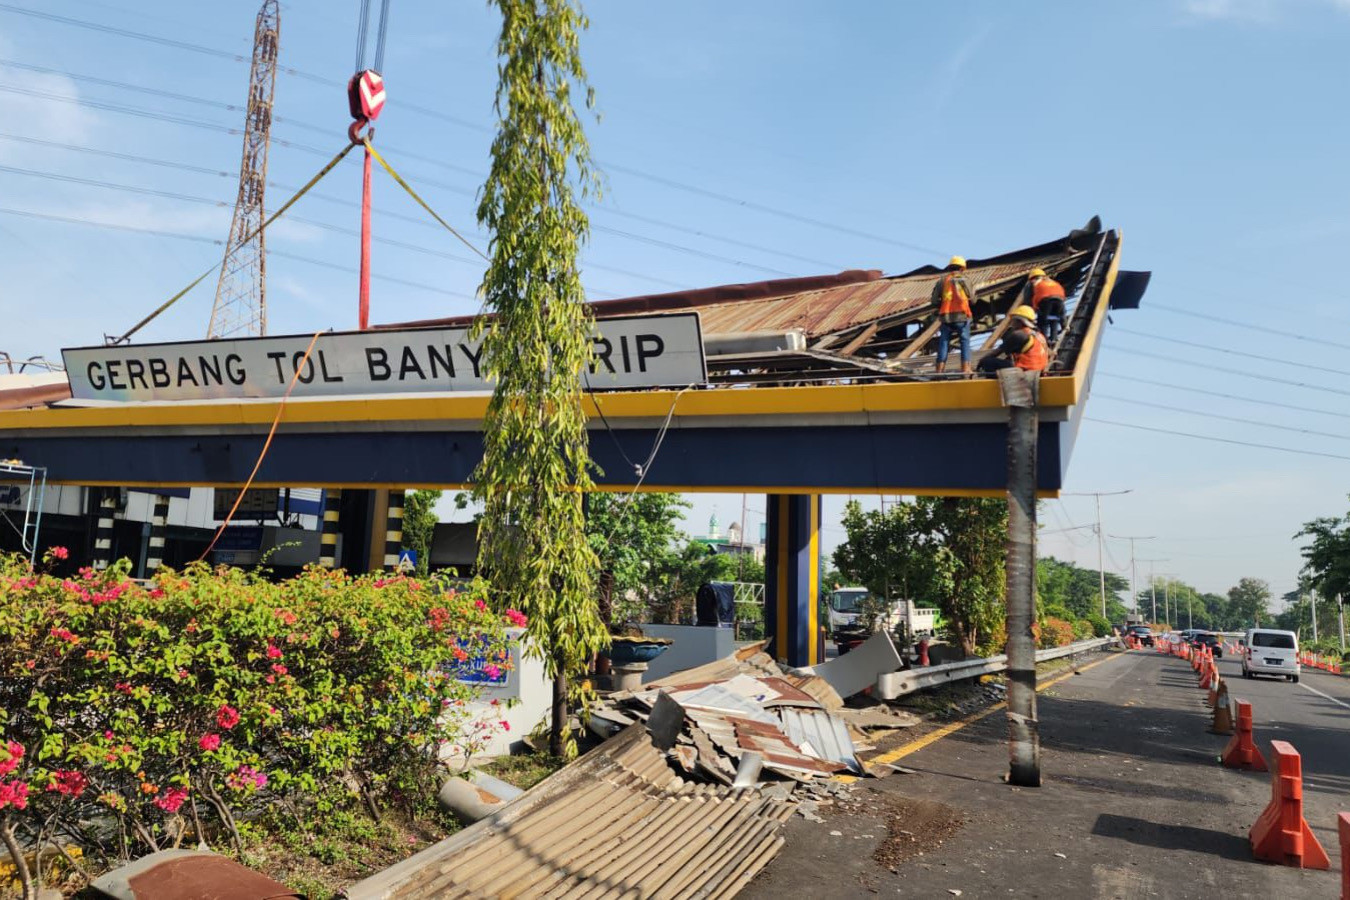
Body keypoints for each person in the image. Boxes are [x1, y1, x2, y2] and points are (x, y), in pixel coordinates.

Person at [931, 255, 976, 374]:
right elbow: (973, 300)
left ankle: (939, 370)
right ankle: (965, 368)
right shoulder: (966, 280)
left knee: (944, 342)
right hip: (962, 315)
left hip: (946, 316)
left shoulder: (942, 281)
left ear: (950, 267)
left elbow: (934, 301)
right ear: (962, 268)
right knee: (964, 341)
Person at [976, 305, 1049, 373]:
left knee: (987, 361)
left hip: (1026, 370)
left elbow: (996, 353)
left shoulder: (1019, 335)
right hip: (1040, 370)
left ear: (1020, 321)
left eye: (1013, 320)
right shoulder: (1039, 335)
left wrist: (981, 361)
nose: (1012, 323)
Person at [1018, 267, 1066, 344]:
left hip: (1045, 301)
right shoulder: (1052, 282)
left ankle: (1044, 341)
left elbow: (1030, 298)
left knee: (1043, 322)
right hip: (1059, 301)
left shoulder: (1033, 283)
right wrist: (1064, 324)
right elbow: (1062, 297)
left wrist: (1032, 310)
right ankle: (1054, 339)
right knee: (1054, 319)